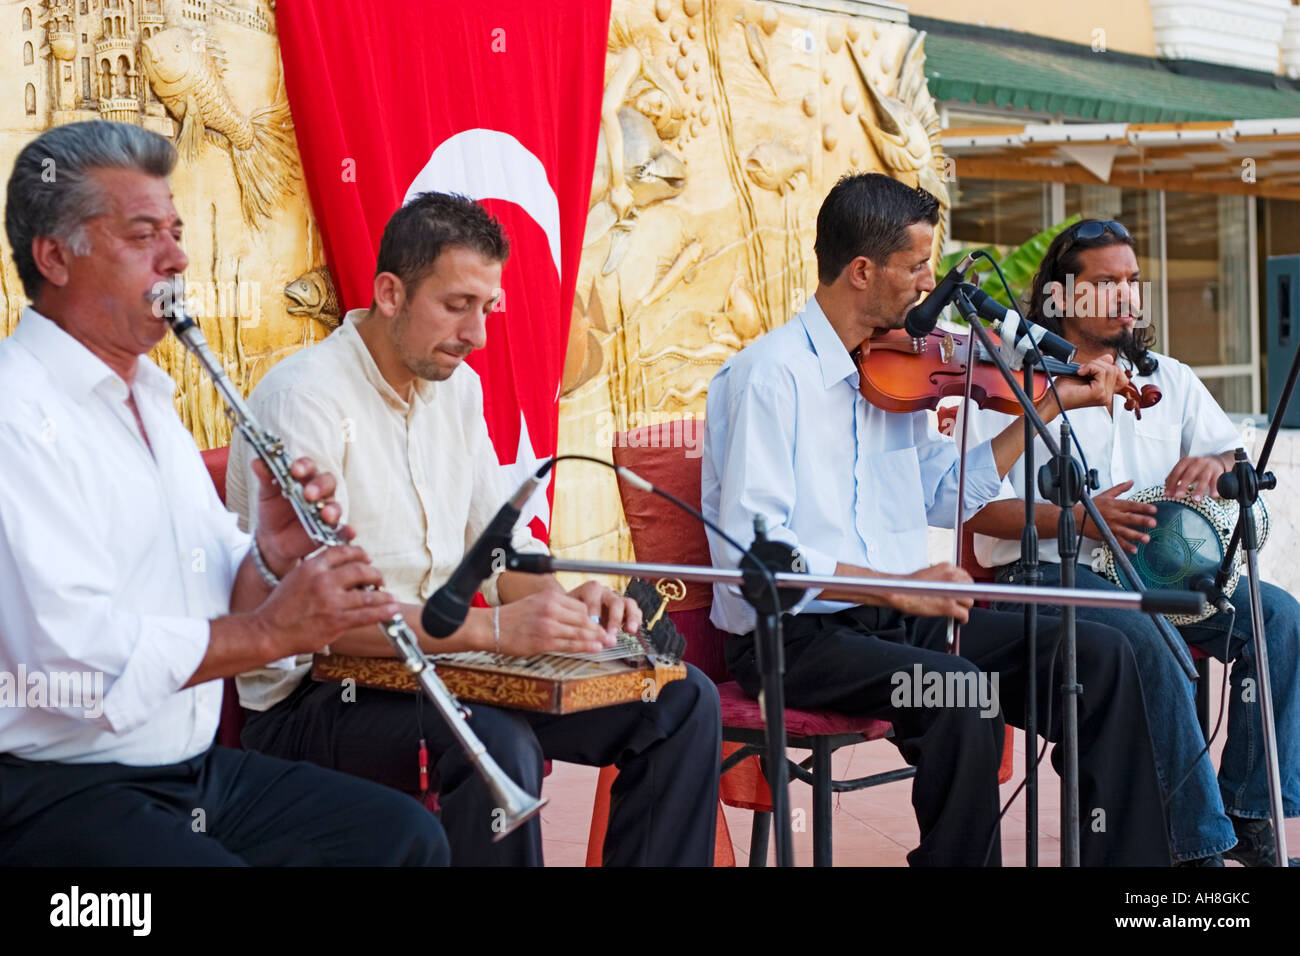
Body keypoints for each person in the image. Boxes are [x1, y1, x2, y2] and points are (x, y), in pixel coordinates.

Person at [226, 191, 721, 867]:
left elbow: (497, 554)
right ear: (391, 292)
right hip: (318, 695)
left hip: (446, 664)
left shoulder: (455, 388)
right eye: (456, 306)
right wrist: (492, 631)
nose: (477, 334)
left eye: (485, 308)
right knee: (494, 743)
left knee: (681, 701)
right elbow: (319, 622)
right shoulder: (304, 399)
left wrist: (568, 603)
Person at [0, 121, 447, 866]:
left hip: (186, 773)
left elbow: (223, 591)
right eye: (143, 235)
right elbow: (74, 667)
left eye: (175, 231)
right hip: (52, 793)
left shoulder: (148, 397)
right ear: (55, 257)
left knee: (404, 841)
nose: (176, 257)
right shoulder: (16, 415)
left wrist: (273, 558)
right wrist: (274, 633)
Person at [702, 172, 1173, 866]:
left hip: (895, 620)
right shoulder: (770, 378)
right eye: (917, 265)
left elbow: (946, 490)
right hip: (795, 639)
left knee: (1100, 654)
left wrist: (1047, 407)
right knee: (959, 695)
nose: (932, 283)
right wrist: (892, 586)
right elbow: (758, 560)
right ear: (863, 271)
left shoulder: (893, 368)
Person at [964, 219, 1300, 866]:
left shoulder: (1168, 379)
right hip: (1041, 576)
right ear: (1061, 297)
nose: (1127, 297)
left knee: (1278, 619)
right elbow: (977, 512)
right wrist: (1080, 521)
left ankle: (1251, 810)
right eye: (1107, 282)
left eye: (1133, 281)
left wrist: (1220, 473)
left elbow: (1232, 458)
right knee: (1148, 636)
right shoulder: (1012, 383)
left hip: (1157, 576)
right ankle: (1194, 847)